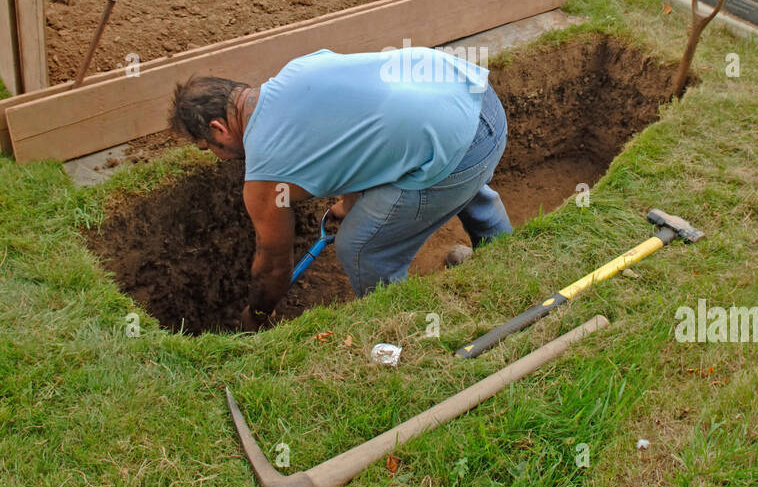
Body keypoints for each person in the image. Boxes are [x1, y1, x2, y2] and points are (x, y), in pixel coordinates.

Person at [169, 47, 512, 330]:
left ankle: (402, 325)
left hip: (463, 153)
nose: (216, 157)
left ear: (218, 128)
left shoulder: (264, 176)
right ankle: (504, 253)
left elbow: (273, 264)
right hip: (480, 102)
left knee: (360, 248)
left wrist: (257, 314)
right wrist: (349, 207)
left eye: (207, 147)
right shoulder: (297, 69)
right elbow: (361, 133)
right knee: (428, 149)